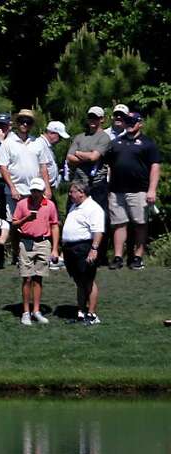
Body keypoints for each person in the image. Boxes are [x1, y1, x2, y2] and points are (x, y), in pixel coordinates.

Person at [102, 111, 161, 270]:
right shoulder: (116, 143)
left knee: (140, 223)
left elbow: (155, 167)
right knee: (118, 224)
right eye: (127, 121)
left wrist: (152, 190)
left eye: (132, 122)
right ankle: (118, 257)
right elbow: (108, 164)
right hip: (116, 190)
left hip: (139, 190)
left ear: (140, 124)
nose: (129, 124)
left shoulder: (148, 143)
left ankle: (137, 257)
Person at [13, 178, 60, 326]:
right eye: (33, 191)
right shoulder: (22, 204)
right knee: (27, 278)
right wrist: (27, 218)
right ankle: (26, 312)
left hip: (43, 242)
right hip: (26, 241)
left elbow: (54, 225)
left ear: (43, 191)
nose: (35, 194)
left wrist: (55, 249)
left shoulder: (49, 205)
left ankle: (36, 310)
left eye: (38, 191)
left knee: (39, 278)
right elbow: (14, 223)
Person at [61, 180, 106, 325]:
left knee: (88, 280)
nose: (69, 194)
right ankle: (81, 312)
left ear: (82, 193)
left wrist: (94, 249)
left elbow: (98, 231)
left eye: (72, 191)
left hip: (84, 247)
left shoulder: (93, 208)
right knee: (79, 281)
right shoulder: (74, 206)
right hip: (70, 249)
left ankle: (92, 314)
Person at [65, 107, 111, 216]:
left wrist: (78, 153)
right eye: (90, 117)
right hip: (78, 182)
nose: (92, 120)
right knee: (73, 214)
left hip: (96, 184)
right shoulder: (79, 137)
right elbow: (69, 158)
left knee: (98, 215)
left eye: (96, 118)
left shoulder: (104, 137)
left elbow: (93, 157)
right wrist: (88, 156)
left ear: (102, 119)